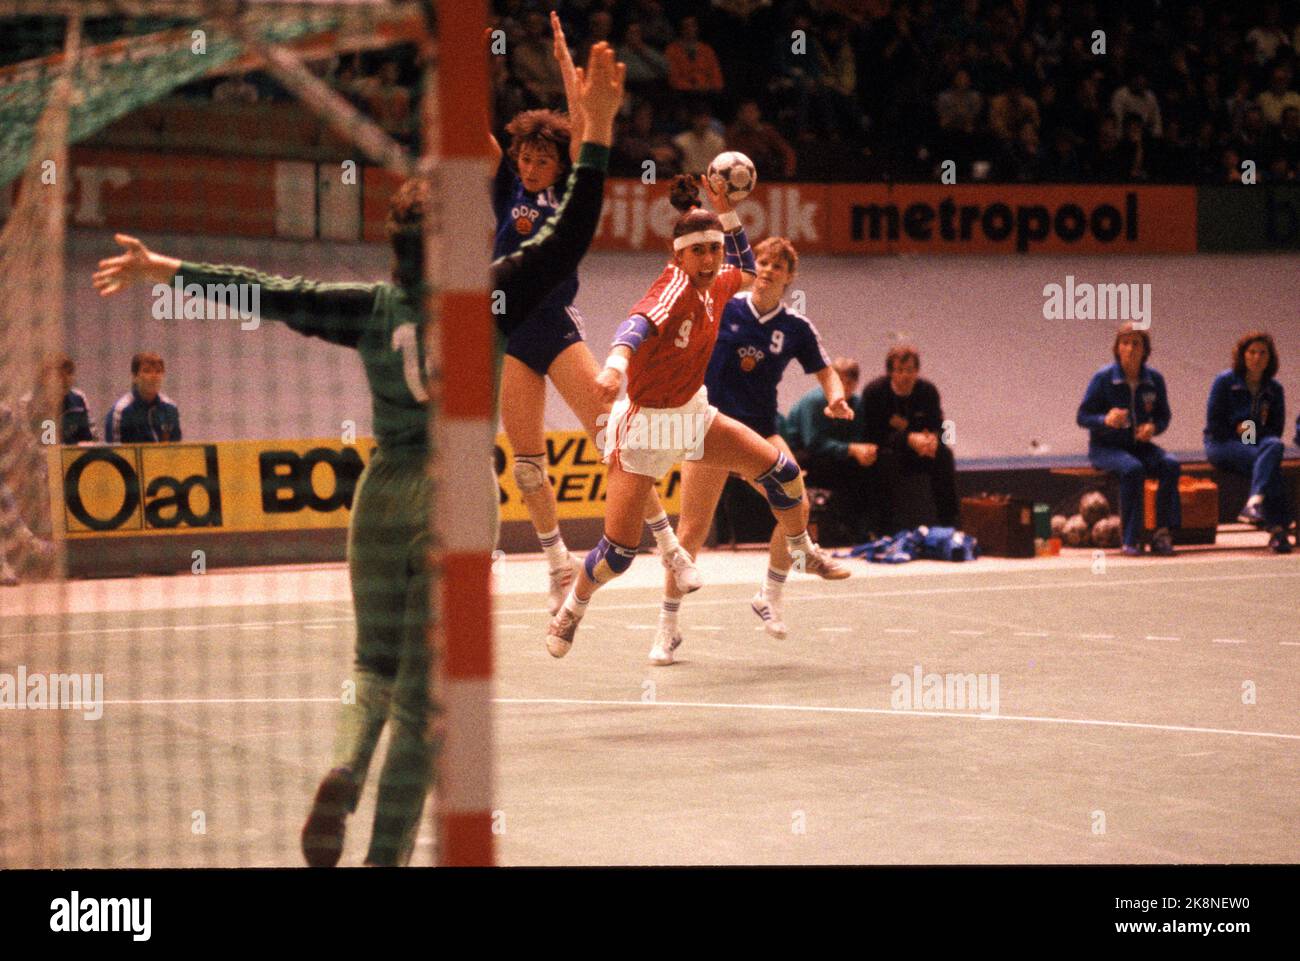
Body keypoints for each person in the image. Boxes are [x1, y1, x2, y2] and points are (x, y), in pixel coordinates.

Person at [92, 42, 629, 867]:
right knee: (428, 704)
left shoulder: (371, 308)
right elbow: (571, 232)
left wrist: (163, 266)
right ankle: (384, 859)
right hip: (454, 501)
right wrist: (596, 131)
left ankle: (345, 762)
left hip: (379, 497)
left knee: (371, 665)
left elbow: (265, 293)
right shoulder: (491, 295)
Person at [545, 174, 848, 661]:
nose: (709, 260)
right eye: (698, 251)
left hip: (693, 416)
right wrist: (616, 364)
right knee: (618, 553)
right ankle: (572, 610)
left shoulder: (720, 282)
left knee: (785, 475)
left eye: (713, 249)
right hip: (644, 428)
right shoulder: (674, 287)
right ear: (678, 255)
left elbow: (745, 268)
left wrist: (726, 209)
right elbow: (637, 323)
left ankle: (800, 550)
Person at [490, 13, 697, 615]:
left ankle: (671, 553)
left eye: (539, 160)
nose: (530, 167)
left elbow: (584, 132)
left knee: (617, 445)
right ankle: (556, 565)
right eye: (524, 158)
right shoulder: (506, 190)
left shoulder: (569, 193)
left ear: (557, 165)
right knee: (527, 467)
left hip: (556, 328)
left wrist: (564, 66)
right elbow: (479, 133)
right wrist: (474, 65)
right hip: (513, 336)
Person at [649, 237, 851, 659]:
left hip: (760, 432)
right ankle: (667, 628)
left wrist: (835, 398)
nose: (766, 269)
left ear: (789, 276)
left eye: (777, 265)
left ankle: (770, 596)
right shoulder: (725, 304)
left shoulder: (795, 327)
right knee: (690, 533)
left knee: (796, 502)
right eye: (761, 261)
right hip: (709, 427)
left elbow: (827, 371)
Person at [1076, 323, 1180, 556]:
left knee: (1170, 464)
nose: (1130, 349)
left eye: (1136, 343)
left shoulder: (1154, 380)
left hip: (1140, 446)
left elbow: (1164, 417)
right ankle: (1130, 538)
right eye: (1125, 343)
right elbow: (1082, 417)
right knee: (1133, 469)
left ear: (1145, 350)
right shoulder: (1103, 378)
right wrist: (1105, 419)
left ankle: (1162, 533)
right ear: (1117, 348)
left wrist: (1153, 428)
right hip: (1106, 448)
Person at [857, 345, 960, 533]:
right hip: (887, 451)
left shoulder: (928, 391)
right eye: (900, 371)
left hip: (920, 452)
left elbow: (938, 426)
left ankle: (949, 525)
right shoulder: (875, 392)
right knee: (884, 461)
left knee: (944, 456)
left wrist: (933, 441)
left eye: (910, 371)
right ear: (890, 372)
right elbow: (871, 435)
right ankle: (884, 530)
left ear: (917, 371)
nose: (905, 376)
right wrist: (908, 439)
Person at [1204, 332, 1290, 552]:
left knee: (1275, 446)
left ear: (1270, 358)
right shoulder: (1225, 382)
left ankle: (1254, 502)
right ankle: (1278, 531)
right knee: (1270, 469)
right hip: (1222, 444)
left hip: (1256, 443)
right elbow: (1214, 424)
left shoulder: (1274, 389)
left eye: (1263, 353)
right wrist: (1237, 428)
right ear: (1242, 355)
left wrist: (1252, 430)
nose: (1257, 357)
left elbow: (1275, 430)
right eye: (1252, 352)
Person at [784, 356, 874, 540]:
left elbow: (858, 436)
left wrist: (862, 451)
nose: (845, 387)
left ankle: (861, 530)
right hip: (802, 453)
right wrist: (850, 449)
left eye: (850, 382)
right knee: (836, 469)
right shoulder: (814, 401)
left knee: (867, 470)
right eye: (840, 381)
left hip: (835, 453)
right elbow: (813, 442)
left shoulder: (857, 403)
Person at [104, 352, 181, 443]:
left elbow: (176, 450)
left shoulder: (170, 408)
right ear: (134, 377)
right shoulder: (122, 411)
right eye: (147, 371)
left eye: (158, 371)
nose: (154, 377)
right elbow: (115, 454)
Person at [19, 353, 96, 444]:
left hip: (73, 457)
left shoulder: (78, 399)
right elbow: (27, 446)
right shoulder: (28, 404)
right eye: (60, 374)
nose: (67, 379)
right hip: (42, 457)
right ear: (43, 378)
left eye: (70, 373)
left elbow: (91, 440)